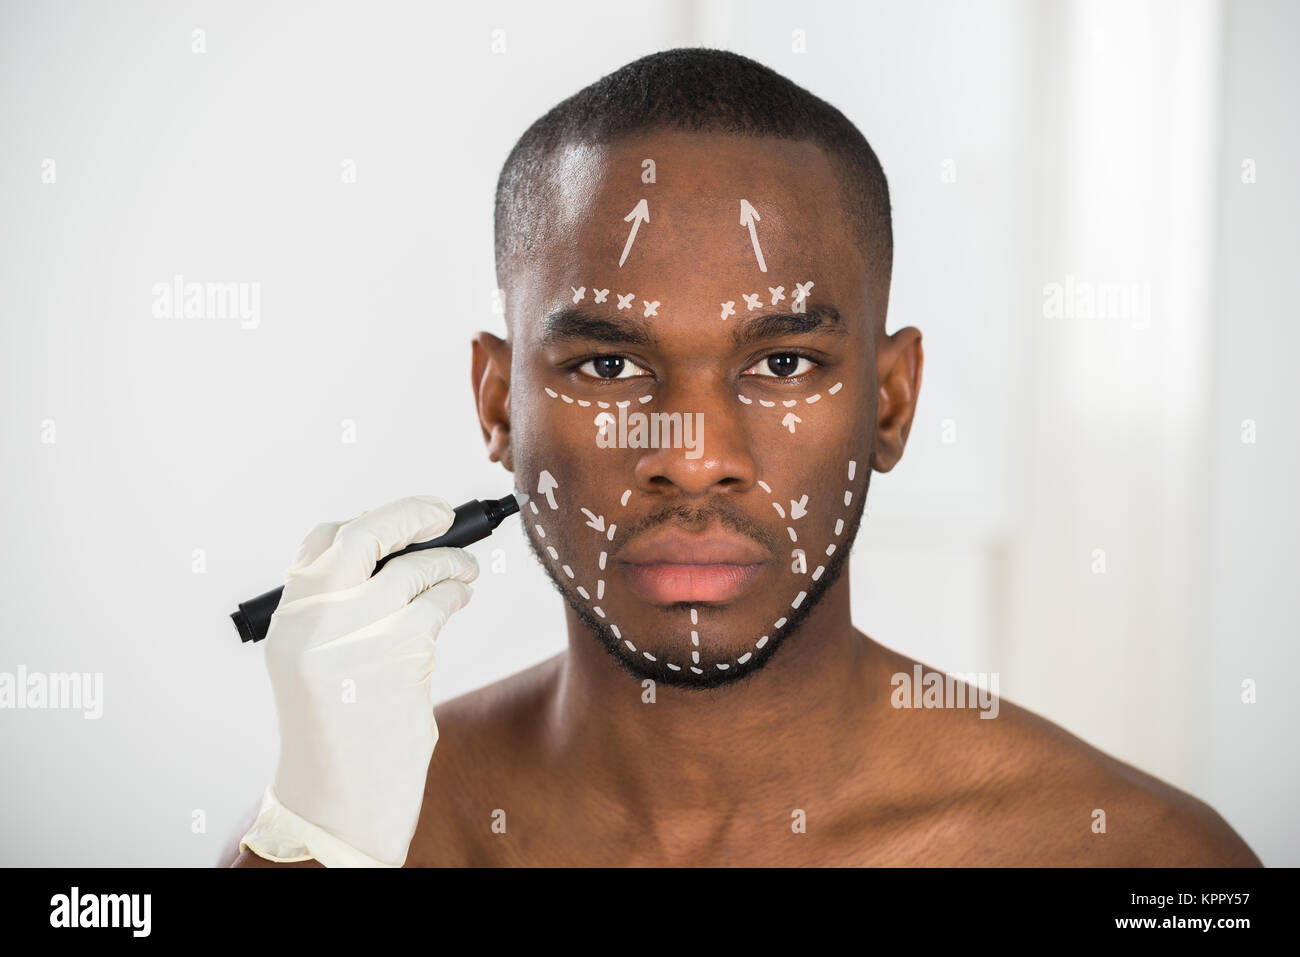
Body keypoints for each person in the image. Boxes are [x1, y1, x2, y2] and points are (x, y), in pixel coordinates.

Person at [227, 48, 1260, 867]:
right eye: (603, 367)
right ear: (499, 405)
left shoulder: (1132, 861)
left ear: (890, 403)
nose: (690, 457)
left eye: (780, 360)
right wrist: (315, 844)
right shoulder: (357, 837)